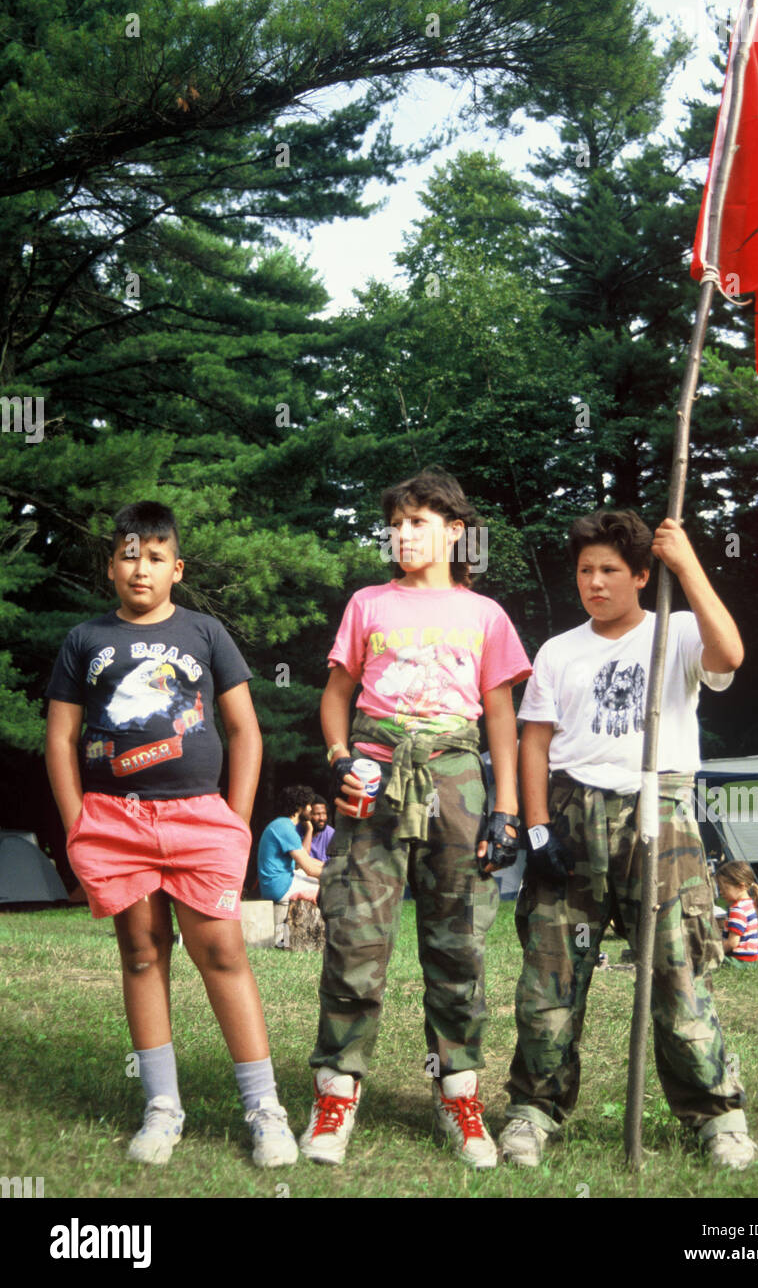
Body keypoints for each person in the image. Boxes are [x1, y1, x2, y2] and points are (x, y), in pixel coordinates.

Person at [499, 509, 758, 1171]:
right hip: (572, 814)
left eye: (609, 570)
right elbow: (535, 743)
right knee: (550, 978)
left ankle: (717, 1117)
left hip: (660, 813)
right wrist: (536, 828)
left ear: (641, 575)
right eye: (585, 570)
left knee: (677, 975)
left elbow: (729, 654)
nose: (594, 582)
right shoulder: (559, 651)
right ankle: (532, 1111)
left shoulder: (674, 630)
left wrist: (689, 565)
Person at [44, 500, 297, 1169]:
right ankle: (161, 1107)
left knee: (221, 951)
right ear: (110, 565)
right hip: (113, 819)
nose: (140, 567)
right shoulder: (84, 640)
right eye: (129, 553)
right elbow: (61, 739)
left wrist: (236, 823)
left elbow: (245, 731)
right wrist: (78, 829)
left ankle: (264, 1109)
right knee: (140, 952)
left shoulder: (206, 633)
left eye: (155, 556)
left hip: (199, 817)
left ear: (176, 568)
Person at [300, 467, 532, 1169]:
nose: (403, 534)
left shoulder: (485, 614)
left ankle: (459, 1094)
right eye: (396, 523)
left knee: (459, 942)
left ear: (454, 532)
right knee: (354, 941)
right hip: (374, 780)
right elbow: (336, 692)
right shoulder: (367, 603)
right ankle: (336, 1094)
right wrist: (340, 758)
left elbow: (500, 716)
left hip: (456, 778)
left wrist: (506, 811)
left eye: (418, 523)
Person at [258, 785, 323, 939]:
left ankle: (285, 940)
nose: (311, 810)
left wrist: (331, 866)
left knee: (323, 879)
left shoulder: (282, 825)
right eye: (309, 805)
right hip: (280, 886)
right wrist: (339, 875)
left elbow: (304, 861)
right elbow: (310, 869)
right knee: (328, 887)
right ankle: (320, 937)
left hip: (277, 883)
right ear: (300, 806)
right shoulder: (285, 828)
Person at [717, 861, 758, 965]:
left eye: (724, 888)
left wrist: (716, 953)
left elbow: (732, 943)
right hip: (751, 960)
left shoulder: (737, 909)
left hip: (739, 960)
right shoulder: (749, 904)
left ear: (741, 886)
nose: (721, 892)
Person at [307, 795, 334, 863]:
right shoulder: (297, 832)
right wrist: (309, 830)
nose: (322, 818)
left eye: (324, 813)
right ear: (308, 815)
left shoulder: (331, 833)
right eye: (317, 814)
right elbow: (299, 862)